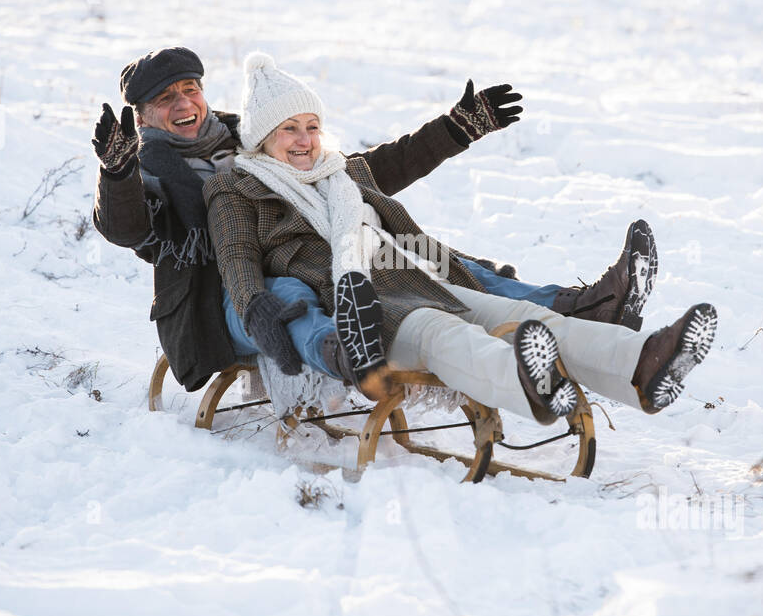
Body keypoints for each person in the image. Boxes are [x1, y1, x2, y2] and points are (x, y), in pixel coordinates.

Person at [92, 46, 660, 395]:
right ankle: (346, 351)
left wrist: (454, 129)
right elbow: (128, 228)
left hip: (313, 255)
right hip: (228, 297)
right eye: (165, 99)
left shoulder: (256, 133)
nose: (184, 103)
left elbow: (361, 172)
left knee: (430, 258)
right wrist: (117, 176)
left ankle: (579, 306)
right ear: (144, 118)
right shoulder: (150, 171)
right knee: (290, 294)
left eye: (190, 89)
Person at [205, 53, 717, 420]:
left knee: (524, 317)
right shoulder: (238, 189)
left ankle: (643, 363)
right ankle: (530, 386)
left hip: (417, 276)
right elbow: (235, 257)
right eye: (289, 129)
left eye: (312, 125)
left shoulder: (342, 172)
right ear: (262, 139)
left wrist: (458, 127)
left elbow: (402, 157)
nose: (304, 140)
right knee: (442, 335)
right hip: (358, 306)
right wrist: (253, 306)